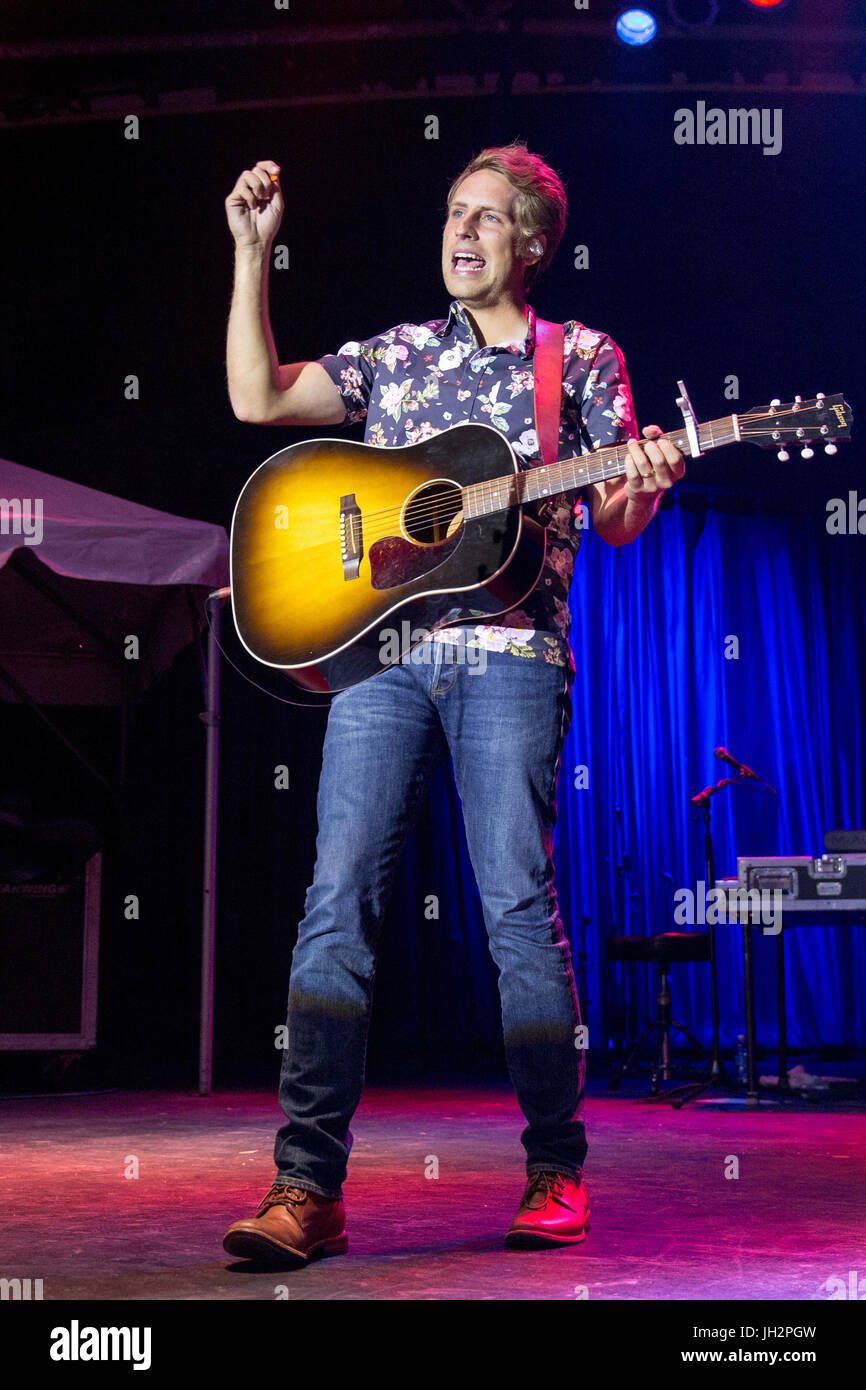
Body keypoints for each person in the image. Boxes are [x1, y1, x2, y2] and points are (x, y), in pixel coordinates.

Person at [221, 142, 685, 1266]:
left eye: (486, 217)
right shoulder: (395, 354)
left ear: (530, 243)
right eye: (451, 212)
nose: (460, 231)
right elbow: (255, 397)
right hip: (381, 653)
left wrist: (643, 486)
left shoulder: (575, 357)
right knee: (335, 903)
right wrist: (252, 257)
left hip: (511, 655)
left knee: (515, 908)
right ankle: (305, 1187)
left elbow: (614, 518)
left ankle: (553, 1170)